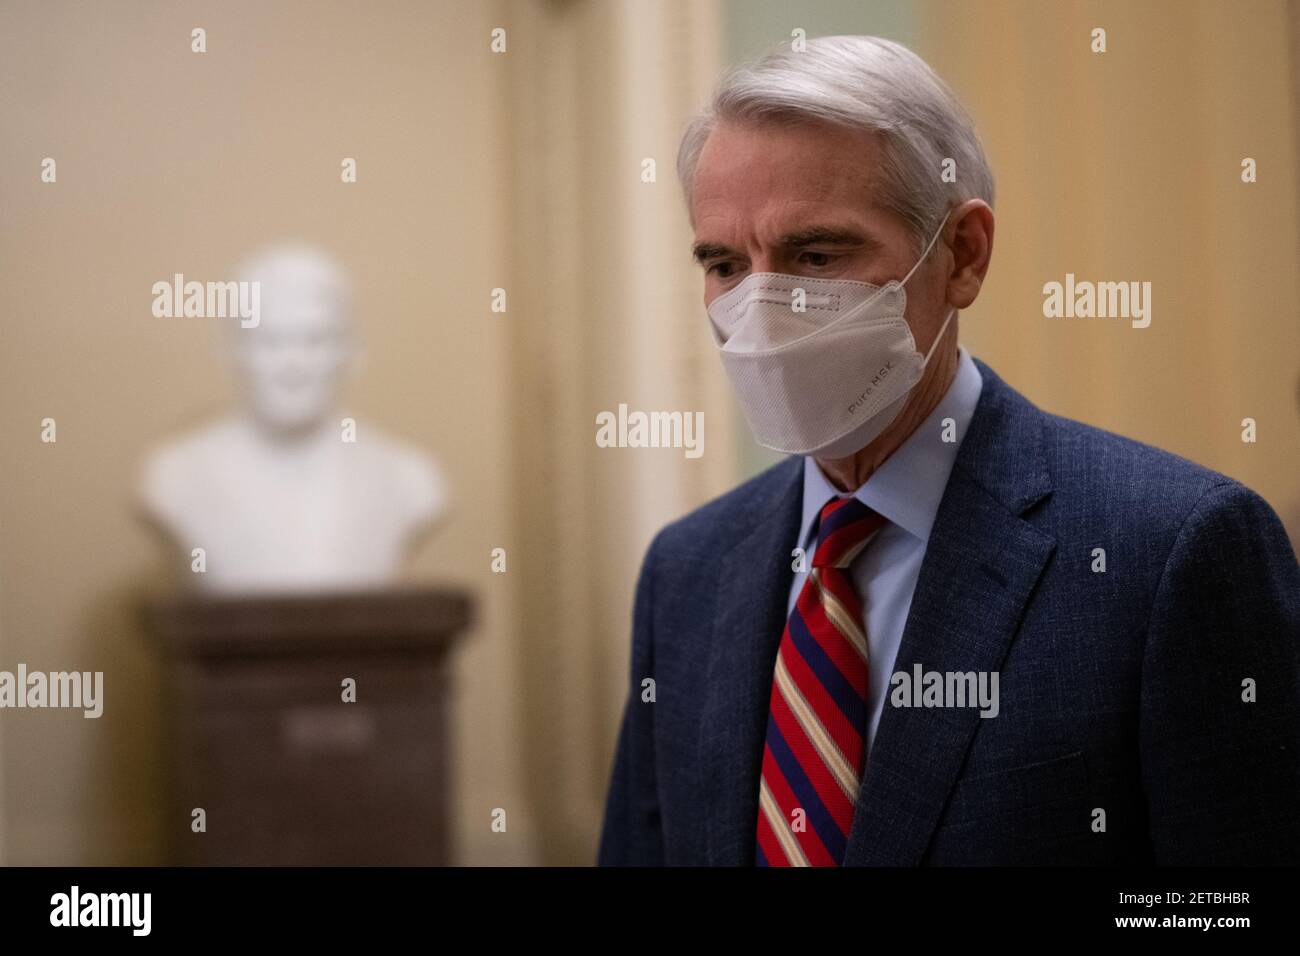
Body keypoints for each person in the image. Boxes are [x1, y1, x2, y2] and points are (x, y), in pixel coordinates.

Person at [597, 36, 1300, 866]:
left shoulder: (1172, 551)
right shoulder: (687, 570)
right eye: (723, 263)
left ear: (962, 255)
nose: (759, 309)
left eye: (816, 255)